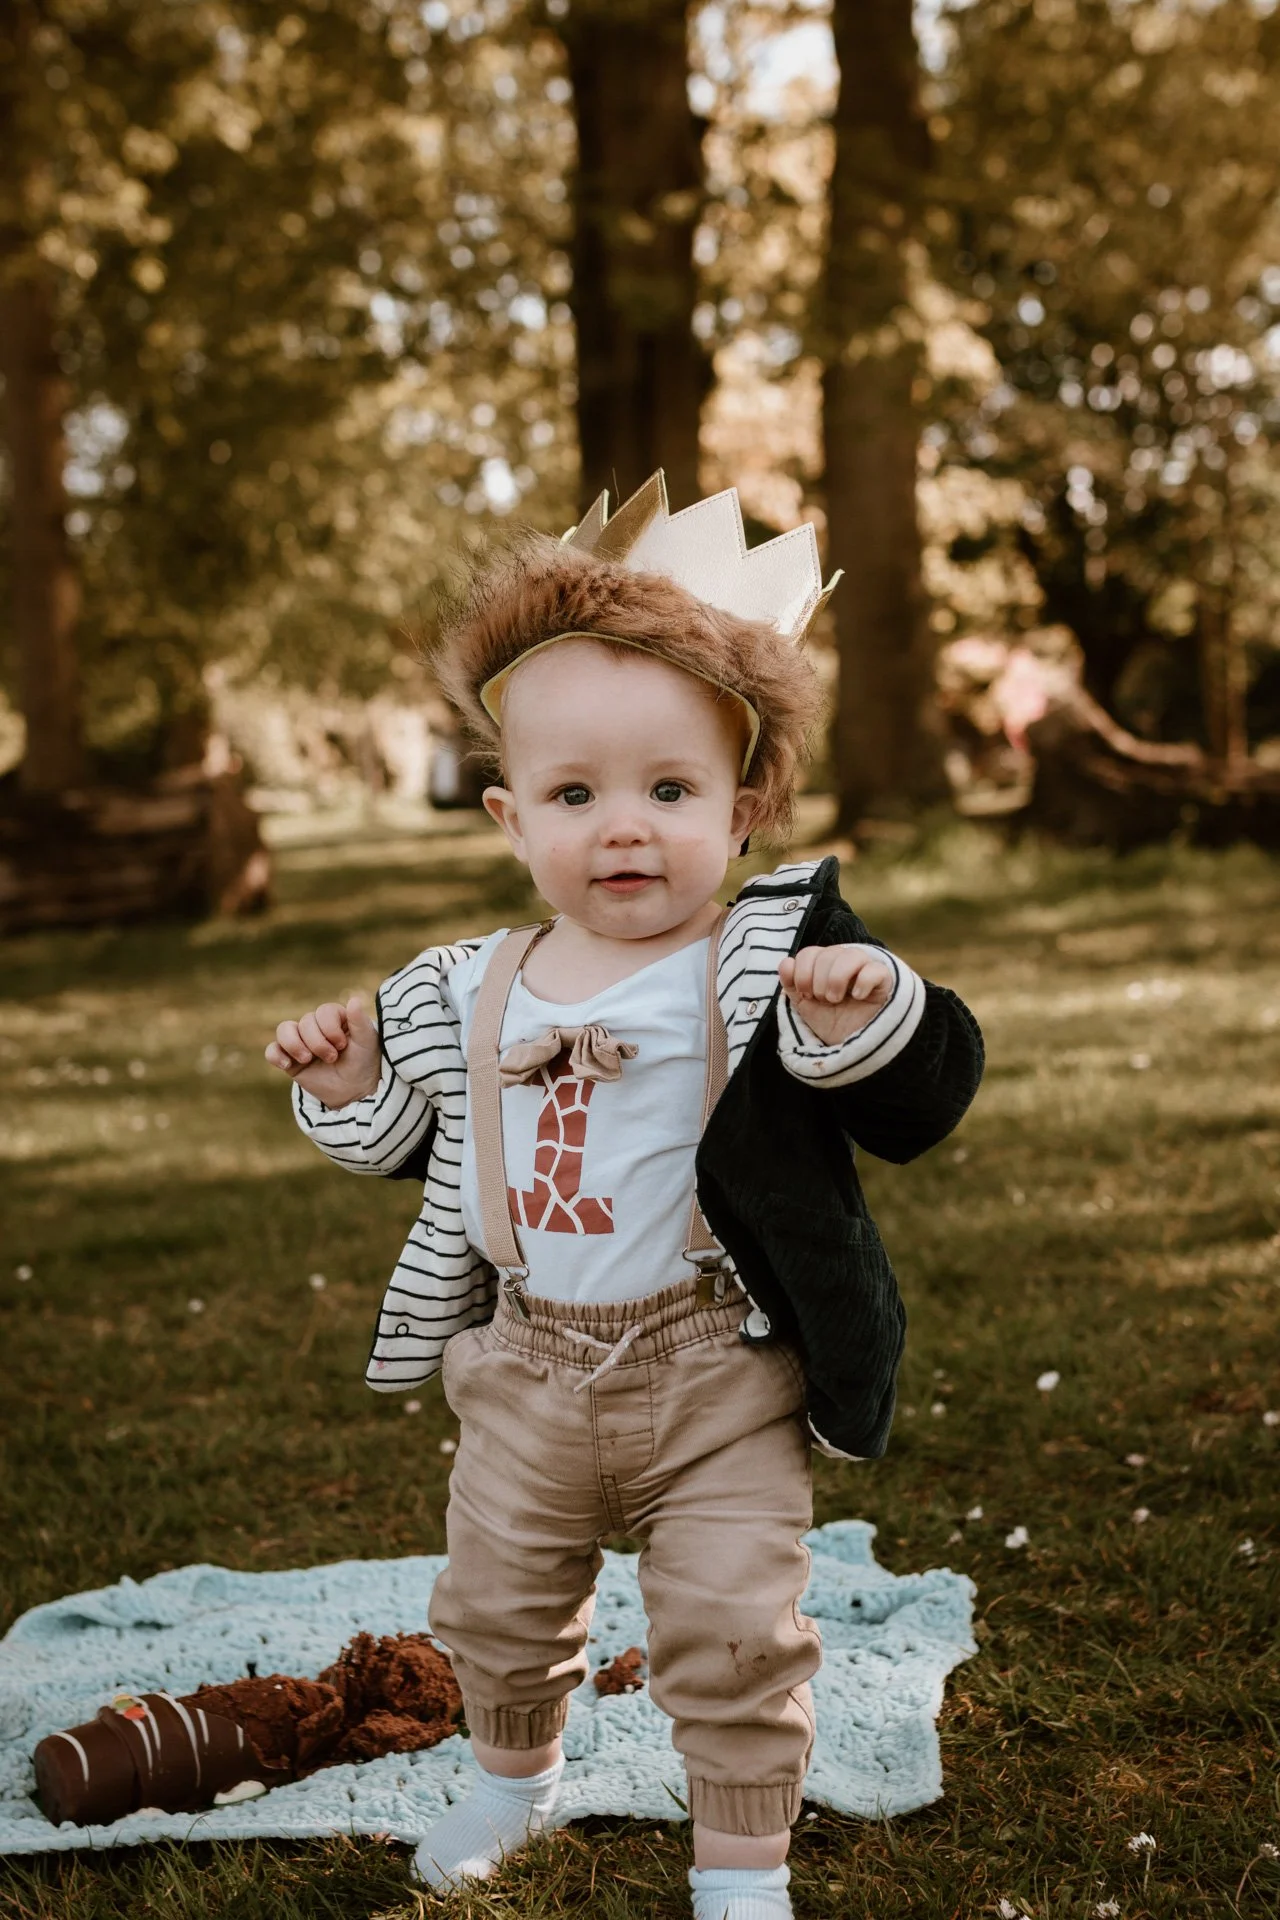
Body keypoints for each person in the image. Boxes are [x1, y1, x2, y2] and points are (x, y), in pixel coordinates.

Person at [266, 474, 984, 1920]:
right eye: (575, 794)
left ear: (747, 803)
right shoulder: (468, 987)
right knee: (495, 1604)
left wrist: (863, 1014)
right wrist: (346, 1086)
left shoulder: (775, 949)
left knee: (729, 1626)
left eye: (671, 790)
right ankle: (509, 1780)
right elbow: (414, 1146)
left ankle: (738, 1866)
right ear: (508, 815)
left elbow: (926, 1093)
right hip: (526, 1365)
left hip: (717, 1364)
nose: (626, 830)